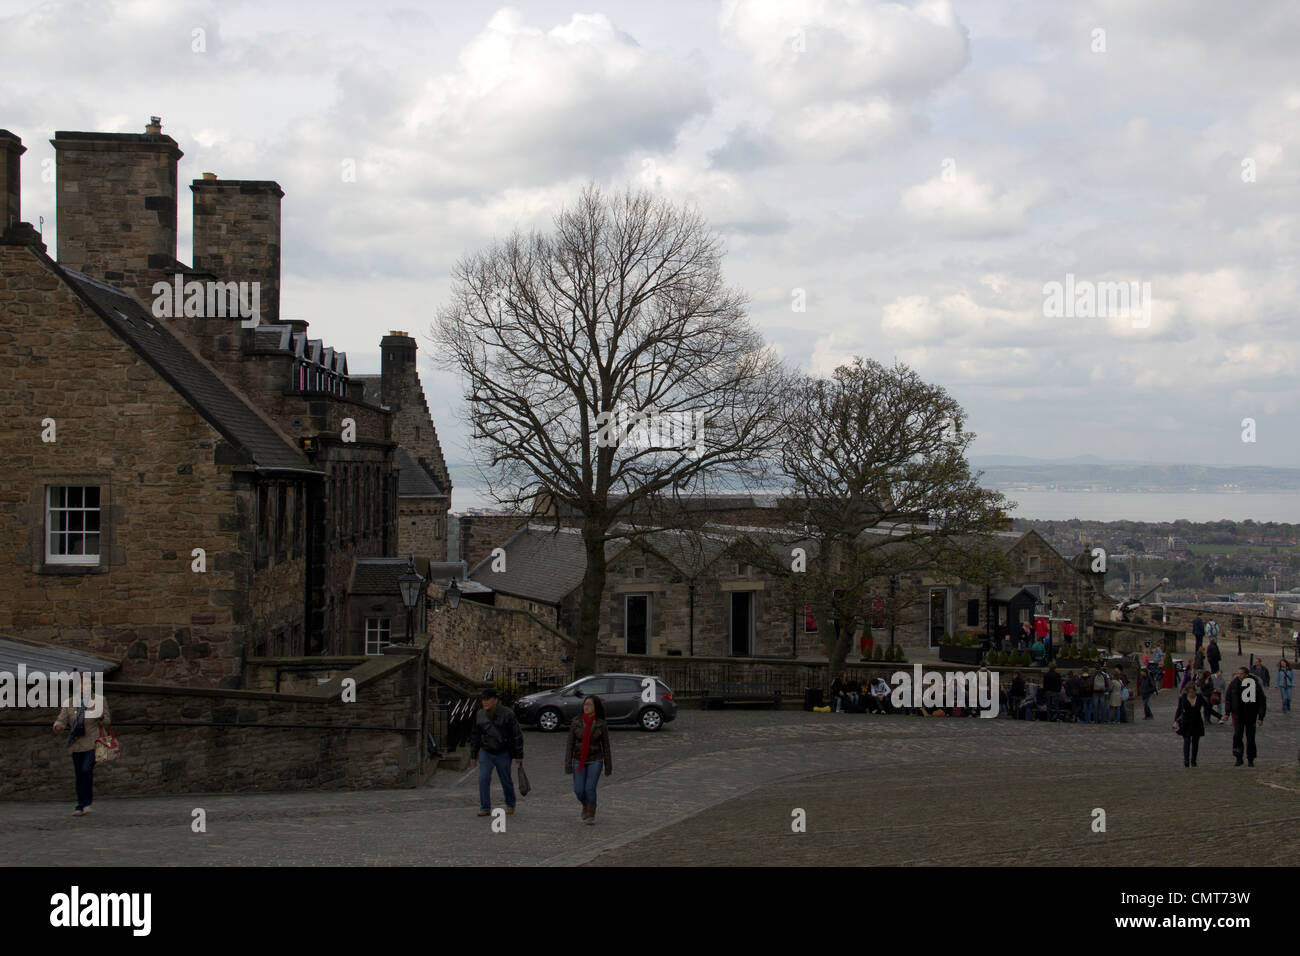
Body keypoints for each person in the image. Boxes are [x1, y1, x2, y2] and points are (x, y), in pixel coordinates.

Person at [52, 671, 112, 816]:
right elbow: (61, 719)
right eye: (80, 685)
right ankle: (80, 805)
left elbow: (107, 722)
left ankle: (87, 802)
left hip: (94, 742)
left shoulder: (99, 700)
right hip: (76, 744)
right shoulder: (70, 703)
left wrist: (102, 717)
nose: (83, 687)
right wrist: (58, 725)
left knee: (86, 770)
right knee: (79, 774)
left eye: (85, 684)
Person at [470, 687, 524, 816]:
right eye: (483, 700)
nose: (485, 702)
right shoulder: (480, 714)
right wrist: (473, 754)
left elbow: (516, 734)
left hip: (503, 752)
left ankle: (510, 803)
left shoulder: (508, 713)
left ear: (495, 700)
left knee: (505, 779)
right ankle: (485, 807)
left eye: (488, 699)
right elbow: (475, 735)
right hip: (486, 751)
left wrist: (518, 754)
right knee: (483, 778)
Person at [564, 695, 613, 824]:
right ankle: (585, 804)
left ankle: (591, 813)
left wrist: (608, 765)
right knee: (579, 790)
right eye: (585, 704)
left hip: (595, 759)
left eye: (589, 705)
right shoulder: (576, 722)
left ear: (595, 707)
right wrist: (568, 763)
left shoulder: (601, 724)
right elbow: (570, 744)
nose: (586, 707)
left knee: (589, 788)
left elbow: (606, 746)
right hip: (578, 759)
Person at [1225, 667, 1266, 767]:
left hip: (1250, 715)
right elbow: (1228, 699)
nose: (1239, 675)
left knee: (1250, 738)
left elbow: (1261, 702)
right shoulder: (1234, 684)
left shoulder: (1254, 685)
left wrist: (1261, 717)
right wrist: (1227, 713)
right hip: (1238, 715)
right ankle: (1238, 757)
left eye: (1241, 674)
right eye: (1238, 673)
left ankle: (1250, 758)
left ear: (1246, 674)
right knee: (1238, 736)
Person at [1173, 685, 1205, 768]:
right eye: (1189, 692)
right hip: (1186, 723)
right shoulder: (1183, 698)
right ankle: (1186, 760)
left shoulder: (1199, 698)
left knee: (1195, 742)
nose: (1191, 694)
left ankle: (1193, 760)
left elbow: (1208, 707)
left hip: (1197, 723)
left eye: (1192, 692)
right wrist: (1175, 721)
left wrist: (1220, 716)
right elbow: (1179, 709)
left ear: (1195, 691)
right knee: (1186, 741)